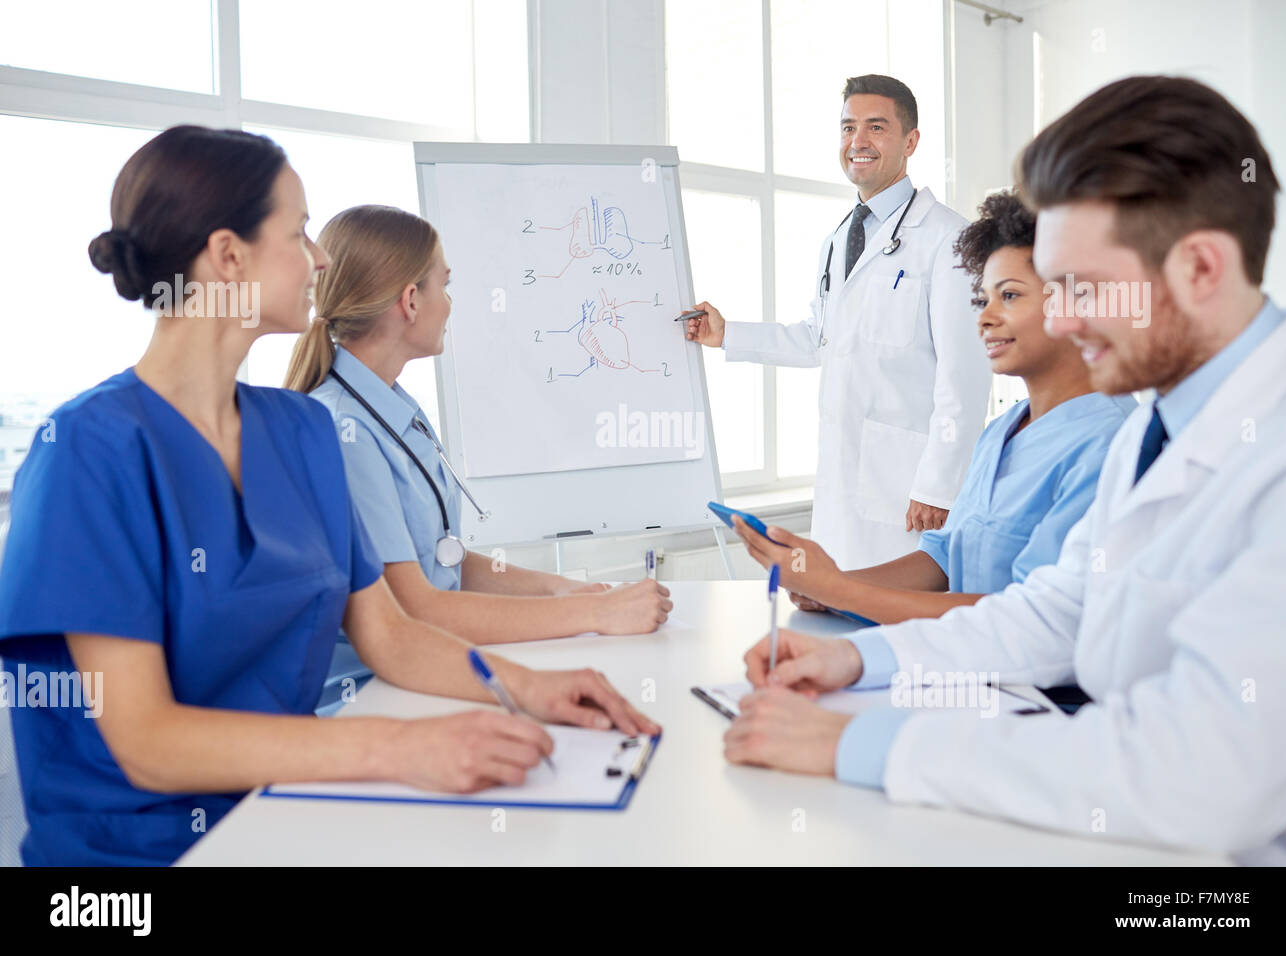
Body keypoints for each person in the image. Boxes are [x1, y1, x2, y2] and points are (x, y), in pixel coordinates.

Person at [0, 126, 658, 867]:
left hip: (290, 805)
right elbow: (147, 741)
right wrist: (401, 745)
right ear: (228, 256)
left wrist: (530, 690)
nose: (318, 257)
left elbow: (392, 635)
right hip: (135, 859)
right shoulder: (87, 453)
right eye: (299, 231)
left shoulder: (302, 431)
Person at [721, 75, 1286, 863]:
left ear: (1199, 268)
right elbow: (1057, 608)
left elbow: (1204, 776)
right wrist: (855, 657)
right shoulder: (1159, 424)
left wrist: (865, 745)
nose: (1057, 320)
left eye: (1079, 287)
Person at [283, 205, 672, 712]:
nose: (449, 303)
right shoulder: (344, 430)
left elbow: (444, 561)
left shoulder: (390, 404)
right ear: (410, 301)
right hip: (368, 698)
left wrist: (564, 593)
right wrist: (597, 613)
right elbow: (416, 608)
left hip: (421, 674)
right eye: (444, 286)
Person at [730, 191, 1135, 624]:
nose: (984, 317)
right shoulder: (1001, 433)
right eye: (982, 300)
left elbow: (1034, 616)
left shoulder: (1111, 443)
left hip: (1029, 685)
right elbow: (942, 560)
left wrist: (841, 591)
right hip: (959, 661)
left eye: (1010, 296)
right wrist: (829, 587)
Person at [683, 74, 990, 568]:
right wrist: (728, 335)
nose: (857, 142)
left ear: (910, 141)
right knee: (839, 611)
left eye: (875, 127)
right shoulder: (840, 238)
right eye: (848, 128)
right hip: (843, 485)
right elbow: (819, 339)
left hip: (911, 491)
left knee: (898, 621)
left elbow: (965, 376)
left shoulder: (949, 239)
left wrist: (940, 483)